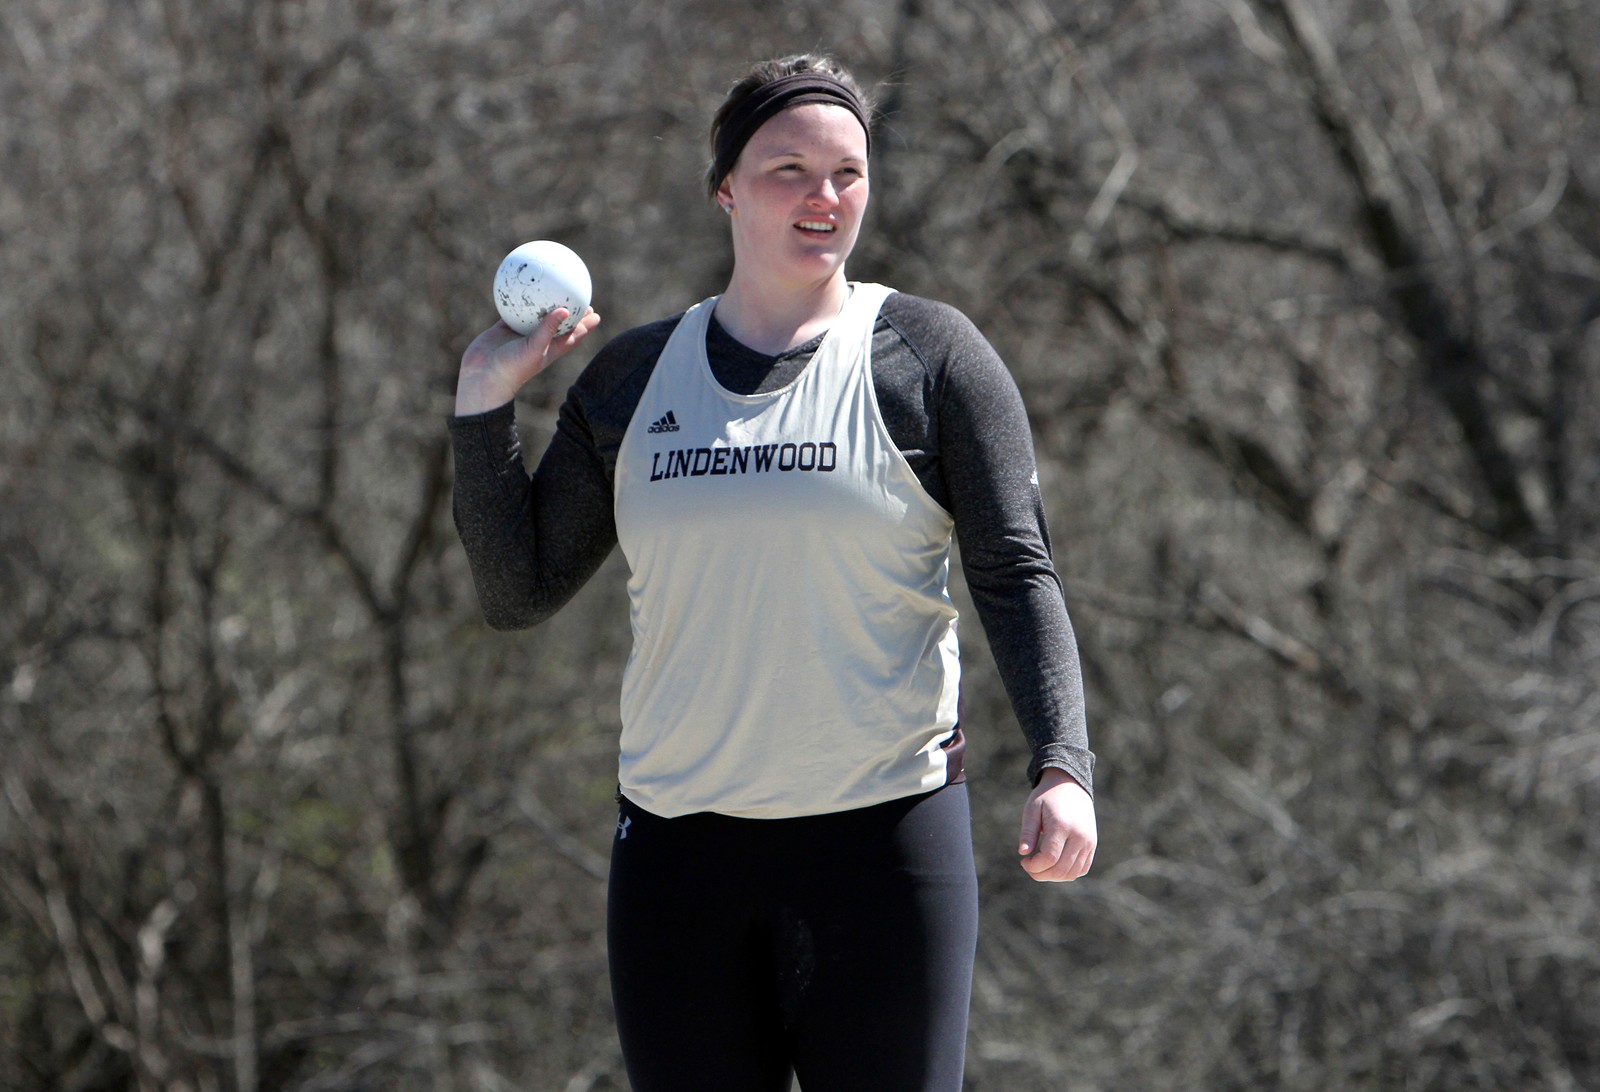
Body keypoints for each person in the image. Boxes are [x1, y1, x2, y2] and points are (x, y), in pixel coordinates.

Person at [449, 53, 1096, 1092]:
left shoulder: (927, 358)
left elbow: (1017, 572)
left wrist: (1063, 764)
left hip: (883, 855)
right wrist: (483, 402)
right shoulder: (633, 379)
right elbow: (516, 592)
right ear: (725, 188)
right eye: (787, 168)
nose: (823, 196)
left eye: (846, 171)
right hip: (678, 863)